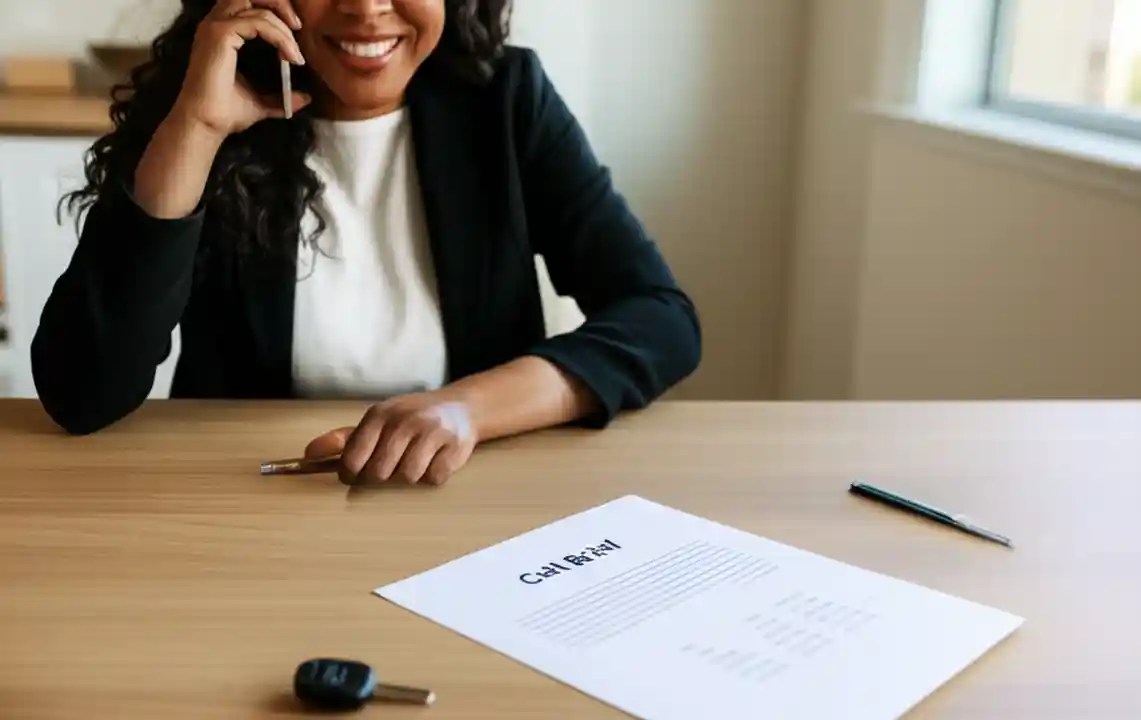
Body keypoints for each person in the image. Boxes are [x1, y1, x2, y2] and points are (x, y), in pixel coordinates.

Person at [33, 0, 700, 486]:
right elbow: (83, 393)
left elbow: (660, 318)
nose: (367, 8)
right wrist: (198, 128)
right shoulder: (206, 104)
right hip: (253, 497)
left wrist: (465, 410)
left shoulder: (504, 100)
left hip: (467, 494)